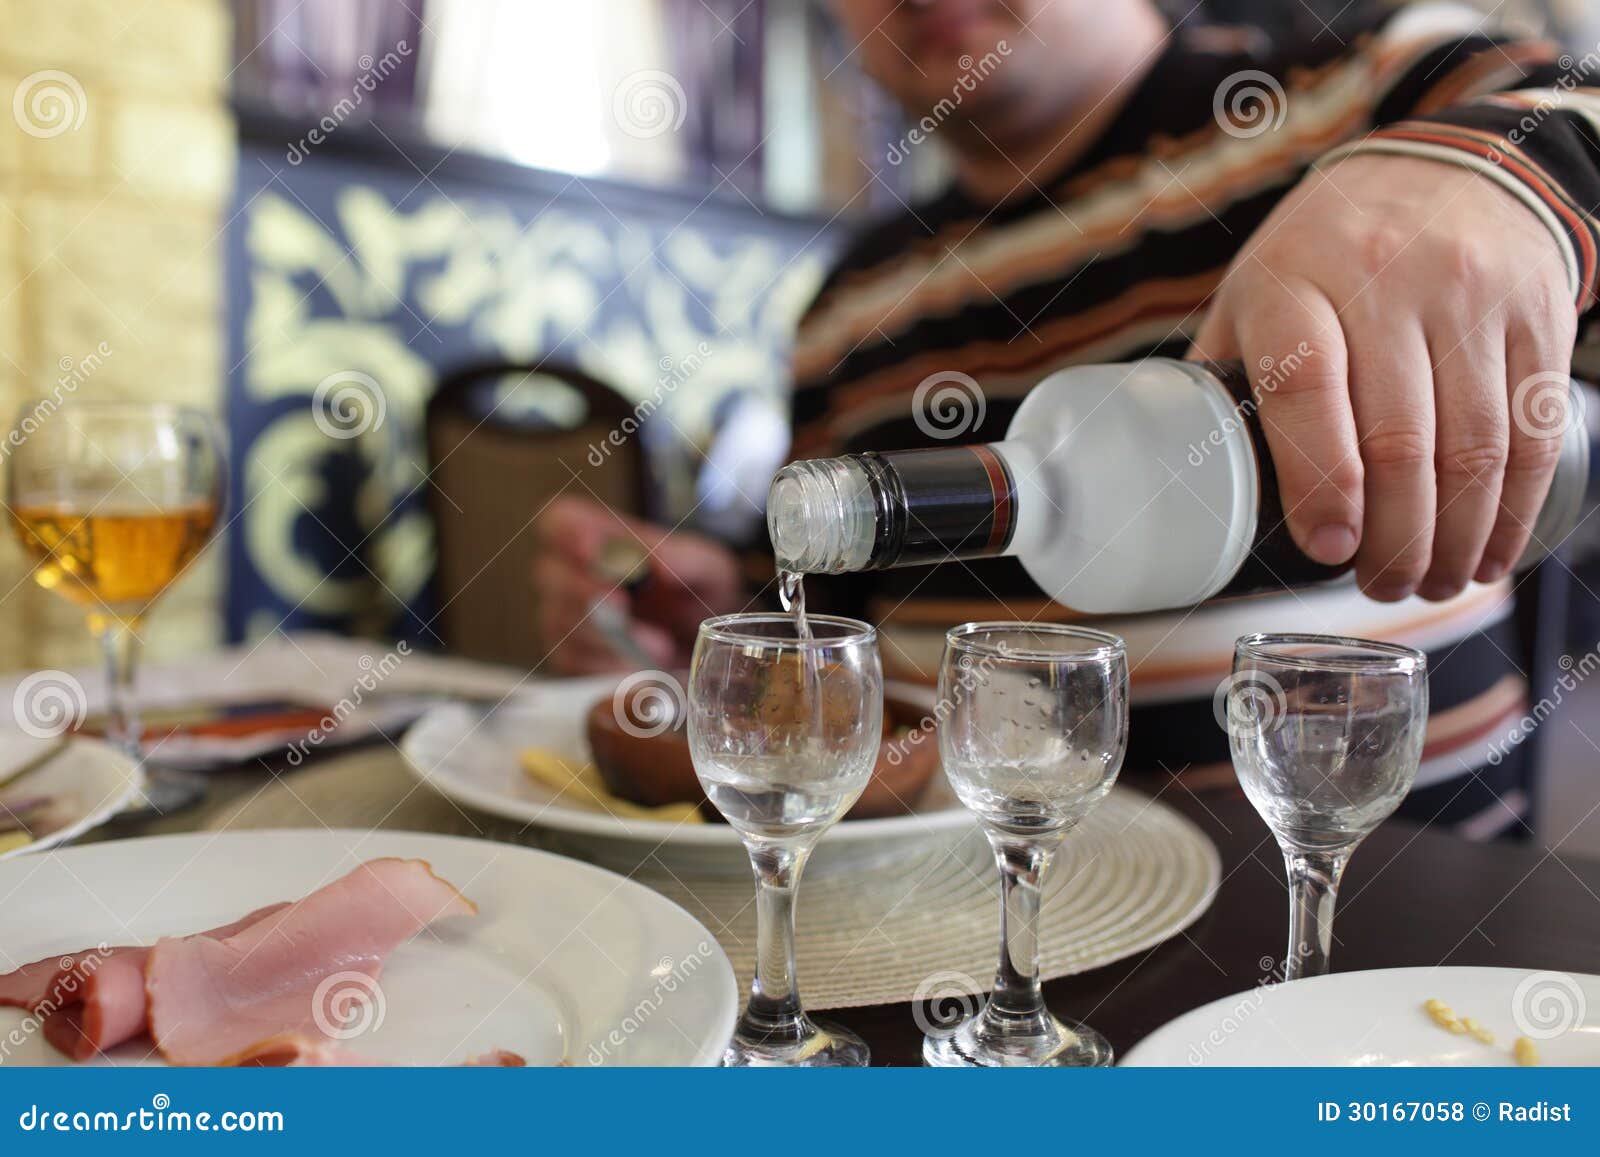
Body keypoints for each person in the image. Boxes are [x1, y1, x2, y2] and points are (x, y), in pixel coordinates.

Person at [534, 0, 1600, 839]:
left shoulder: (1357, 88)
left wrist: (1495, 185)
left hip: (1373, 953)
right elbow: (840, 601)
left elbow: (1569, 106)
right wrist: (715, 604)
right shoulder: (849, 303)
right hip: (958, 939)